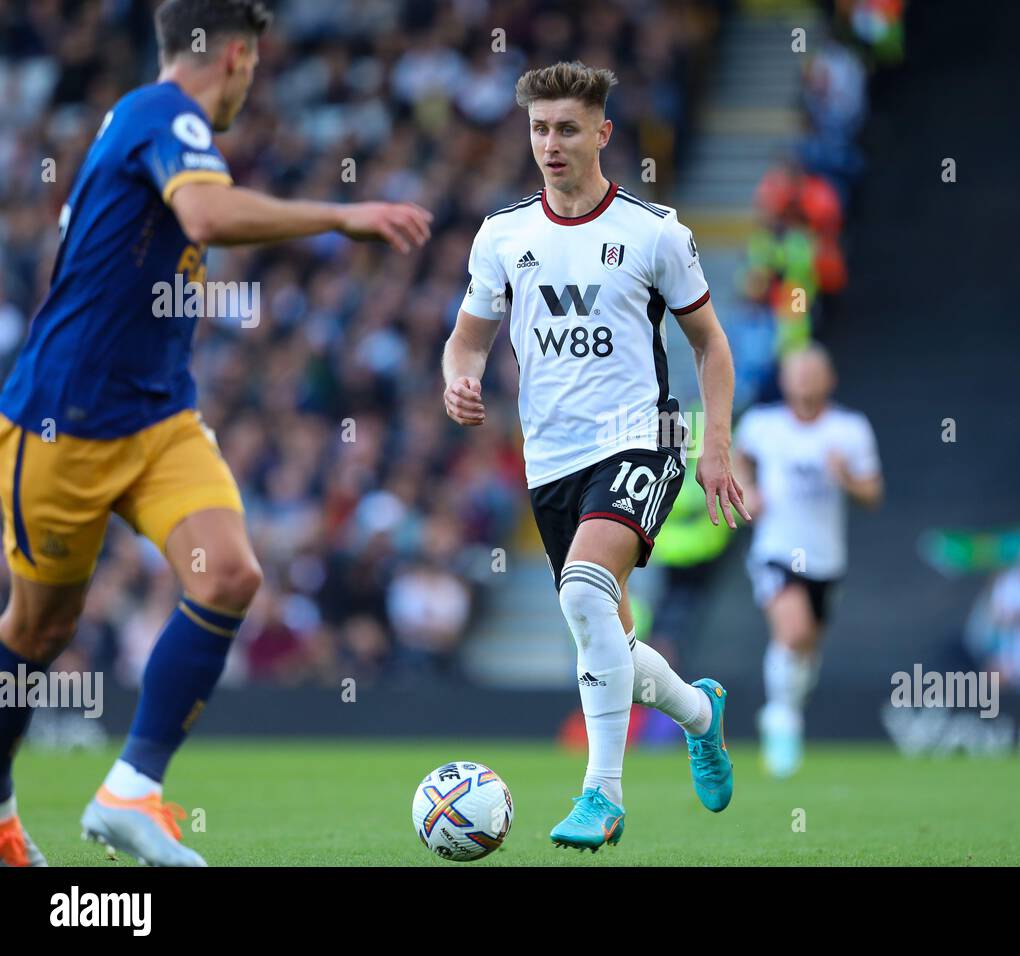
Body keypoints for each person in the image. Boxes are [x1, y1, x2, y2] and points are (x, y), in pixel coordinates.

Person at [0, 0, 432, 867]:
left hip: (161, 415)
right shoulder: (165, 113)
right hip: (65, 420)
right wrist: (341, 215)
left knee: (231, 573)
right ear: (234, 55)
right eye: (256, 65)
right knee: (39, 633)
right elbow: (205, 218)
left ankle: (131, 791)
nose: (253, 82)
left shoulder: (148, 119)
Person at [442, 61, 749, 852]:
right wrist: (460, 380)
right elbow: (466, 341)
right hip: (551, 463)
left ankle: (601, 795)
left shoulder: (654, 233)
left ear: (602, 134)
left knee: (584, 592)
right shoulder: (503, 236)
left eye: (567, 128)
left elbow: (711, 344)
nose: (550, 143)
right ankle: (701, 714)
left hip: (644, 437)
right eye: (540, 128)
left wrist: (715, 445)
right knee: (602, 636)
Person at [733, 344, 883, 777]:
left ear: (829, 380)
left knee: (807, 649)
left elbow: (873, 493)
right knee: (793, 631)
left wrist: (847, 479)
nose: (804, 381)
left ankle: (787, 709)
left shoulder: (850, 429)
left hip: (826, 559)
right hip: (777, 551)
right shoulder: (763, 425)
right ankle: (781, 718)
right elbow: (739, 460)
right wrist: (748, 490)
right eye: (797, 373)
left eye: (813, 373)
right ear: (784, 380)